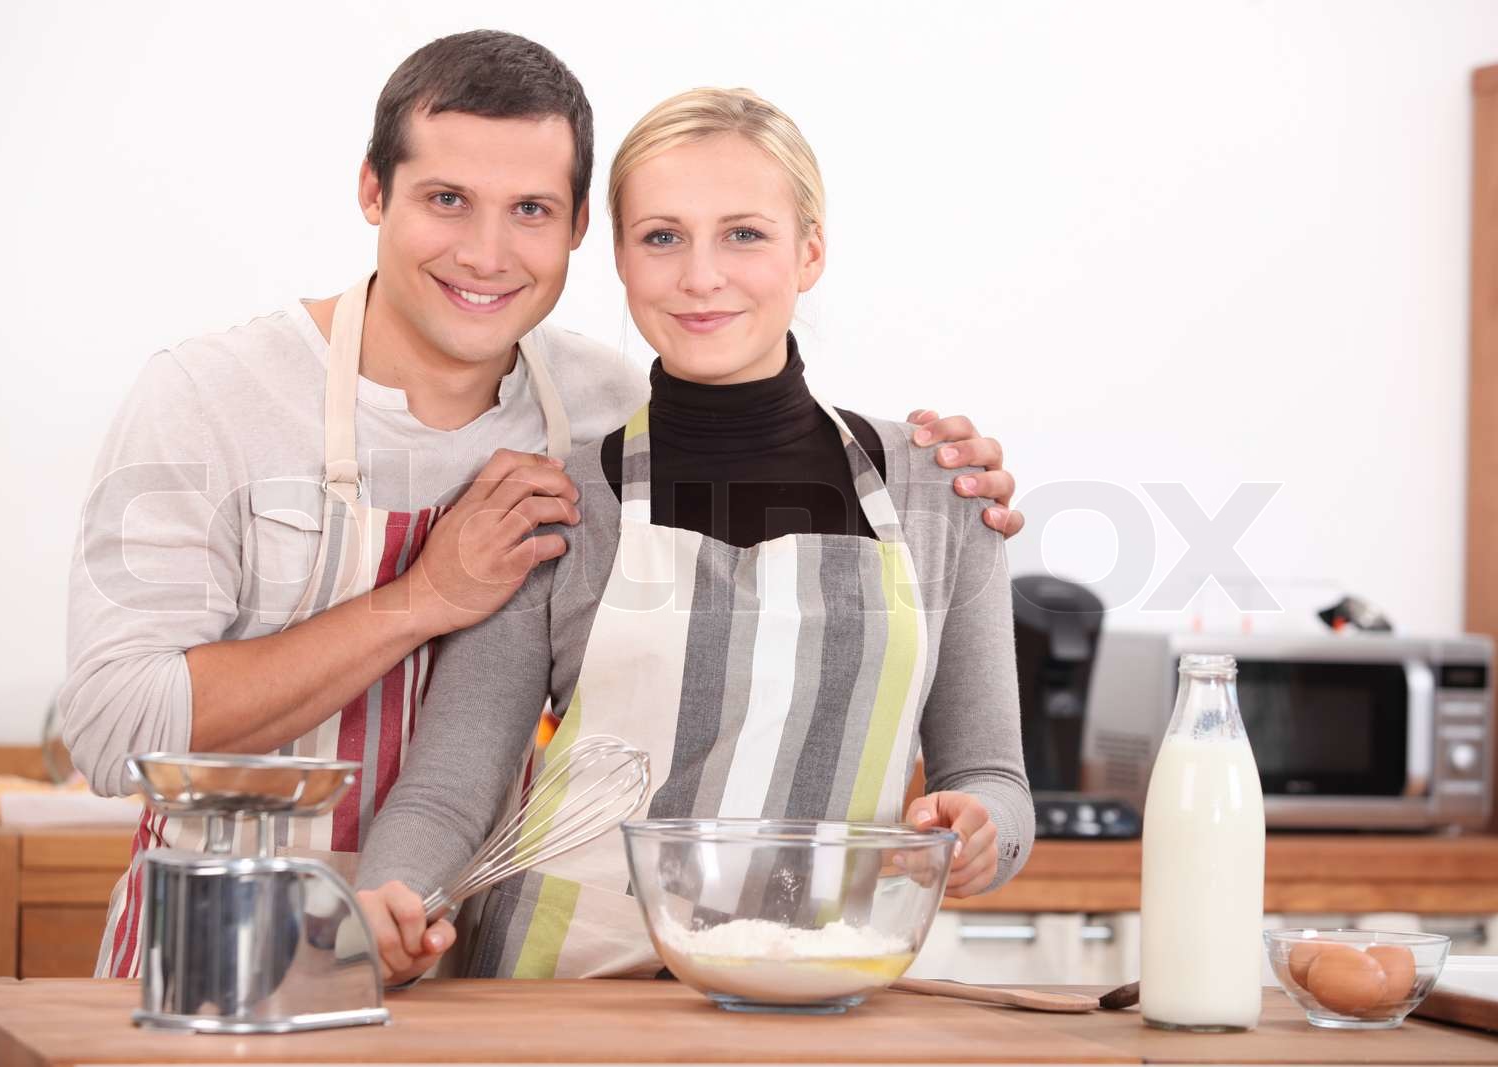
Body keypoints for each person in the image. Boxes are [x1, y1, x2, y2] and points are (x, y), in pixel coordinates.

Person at [63, 31, 1022, 978]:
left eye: (529, 208)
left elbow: (985, 772)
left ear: (575, 231)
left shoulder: (599, 408)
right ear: (373, 191)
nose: (486, 253)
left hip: (463, 959)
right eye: (446, 199)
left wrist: (952, 484)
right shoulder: (217, 398)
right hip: (223, 935)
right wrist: (424, 599)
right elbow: (116, 733)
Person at [355, 87, 1032, 985]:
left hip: (815, 989)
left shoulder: (941, 491)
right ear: (620, 258)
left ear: (810, 251)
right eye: (662, 237)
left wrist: (981, 831)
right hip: (564, 993)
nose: (700, 276)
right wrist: (387, 901)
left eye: (744, 234)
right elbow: (450, 789)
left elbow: (992, 776)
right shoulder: (554, 503)